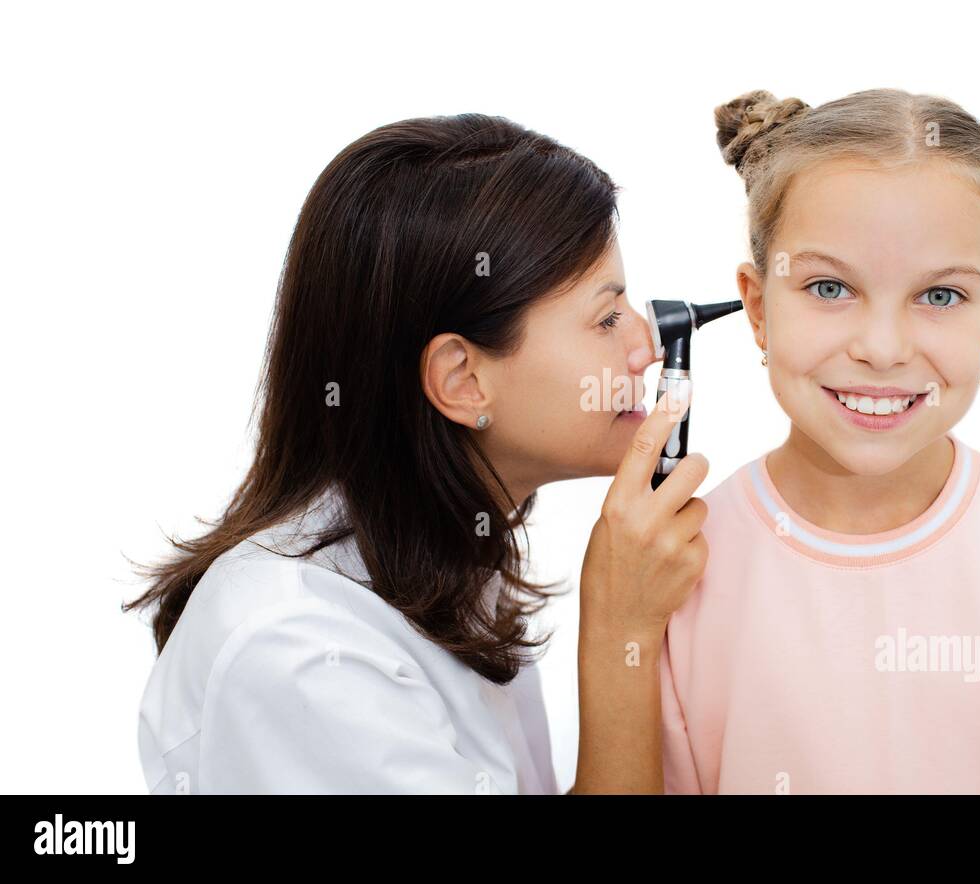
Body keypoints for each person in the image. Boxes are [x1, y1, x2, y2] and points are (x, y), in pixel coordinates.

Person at [126, 114, 709, 794]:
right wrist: (619, 634)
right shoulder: (303, 655)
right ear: (463, 379)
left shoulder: (447, 555)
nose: (646, 347)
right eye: (607, 319)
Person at [659, 88, 980, 794]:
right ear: (757, 307)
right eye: (830, 288)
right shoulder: (680, 565)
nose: (882, 347)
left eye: (940, 297)